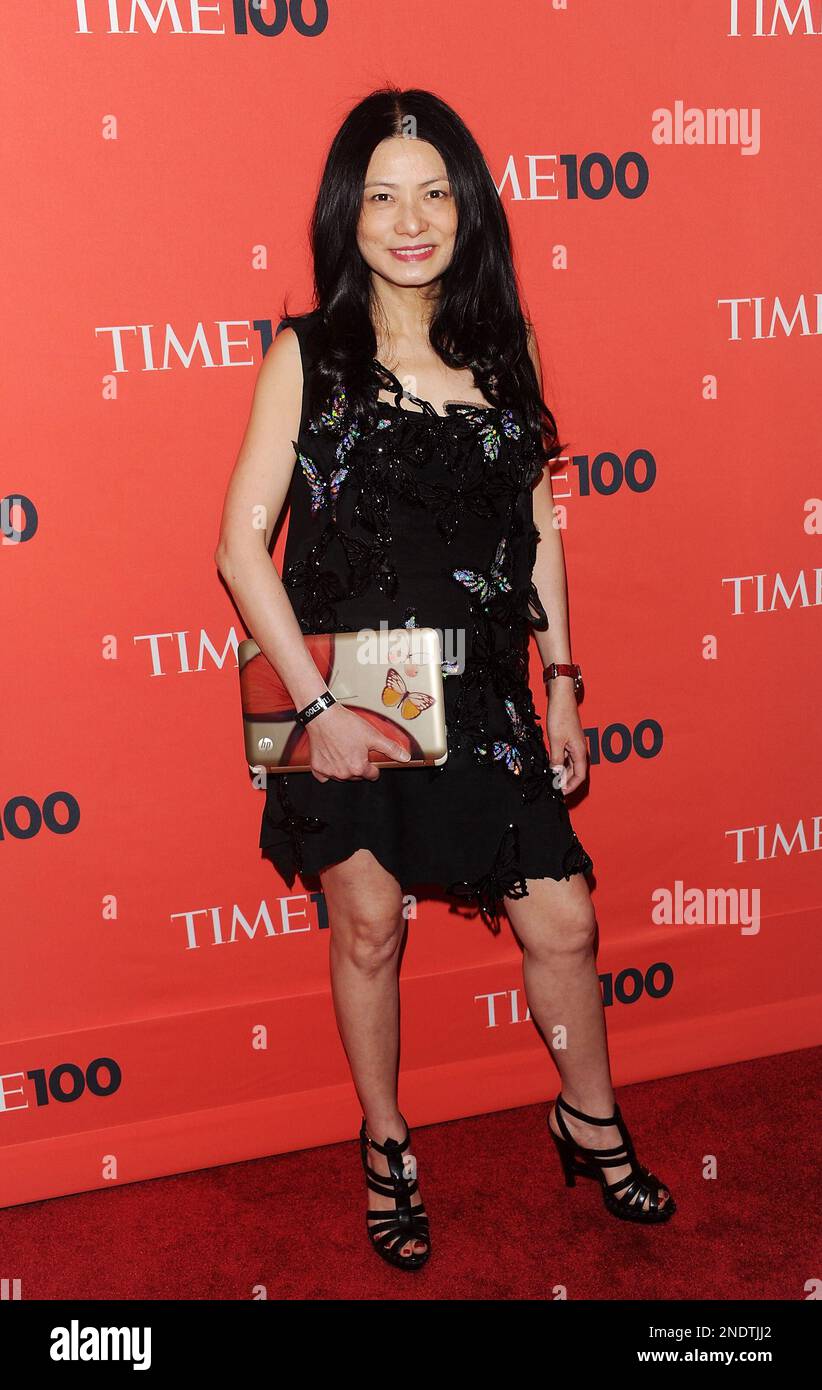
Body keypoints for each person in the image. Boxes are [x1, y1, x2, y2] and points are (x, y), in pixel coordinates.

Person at [215, 87, 675, 1273]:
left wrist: (563, 675)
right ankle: (385, 1143)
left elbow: (539, 524)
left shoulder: (501, 345)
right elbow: (239, 546)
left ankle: (587, 1115)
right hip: (354, 690)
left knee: (563, 920)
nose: (410, 219)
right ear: (346, 214)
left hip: (487, 696)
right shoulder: (309, 354)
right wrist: (316, 712)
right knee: (369, 927)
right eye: (381, 195)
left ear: (467, 209)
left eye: (434, 193)